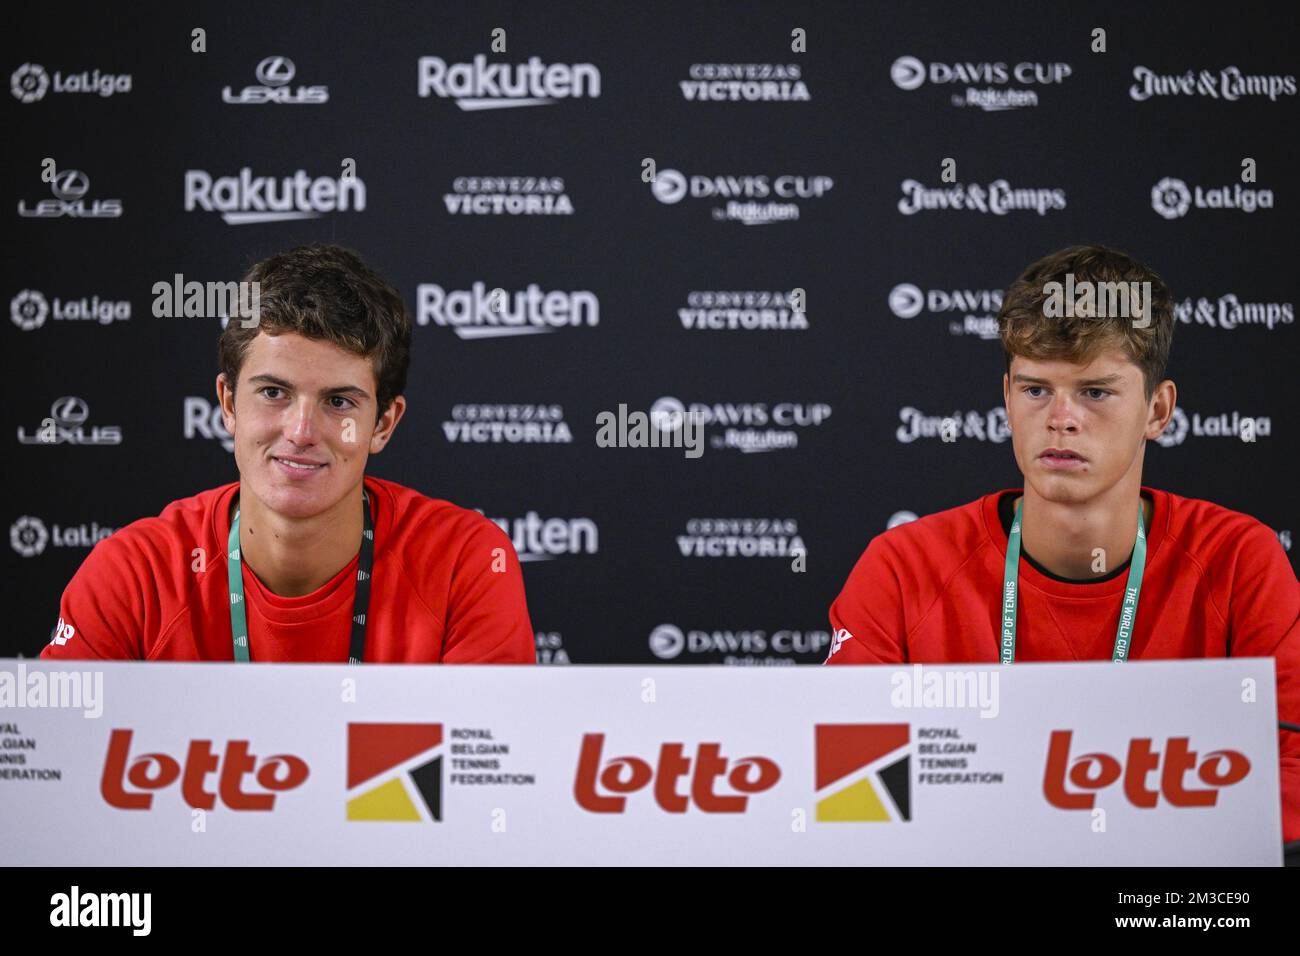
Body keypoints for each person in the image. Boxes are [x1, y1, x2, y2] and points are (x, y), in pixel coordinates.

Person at [824, 244, 1298, 840]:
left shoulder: (1238, 559)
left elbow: (1292, 771)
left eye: (1095, 392)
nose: (1061, 418)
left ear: (1158, 409)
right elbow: (848, 790)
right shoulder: (901, 567)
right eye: (1036, 390)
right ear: (1006, 398)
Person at [42, 243, 534, 664]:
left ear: (383, 424)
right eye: (274, 392)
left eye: (338, 401)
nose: (301, 432)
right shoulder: (133, 575)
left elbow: (483, 770)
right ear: (229, 404)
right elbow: (59, 764)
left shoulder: (465, 563)